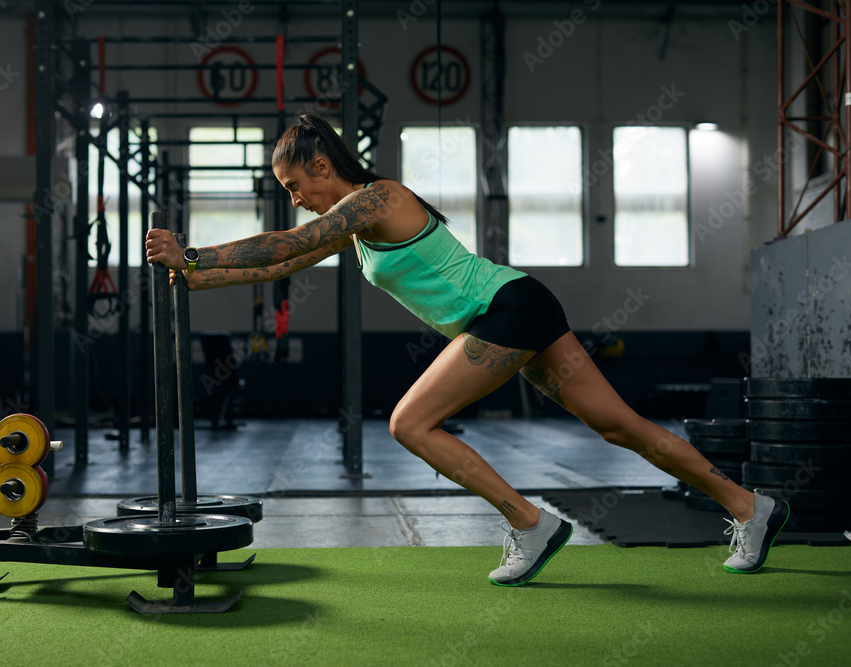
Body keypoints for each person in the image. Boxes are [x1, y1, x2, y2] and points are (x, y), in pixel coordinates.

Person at [145, 112, 789, 586]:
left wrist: (196, 251)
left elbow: (287, 243)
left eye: (293, 185)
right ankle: (749, 507)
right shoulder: (357, 225)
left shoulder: (376, 197)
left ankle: (531, 525)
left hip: (506, 310)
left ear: (320, 165)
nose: (295, 197)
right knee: (620, 426)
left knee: (409, 423)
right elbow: (276, 268)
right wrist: (194, 276)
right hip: (519, 308)